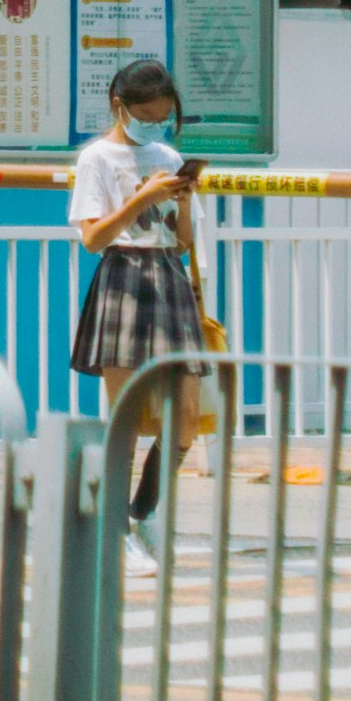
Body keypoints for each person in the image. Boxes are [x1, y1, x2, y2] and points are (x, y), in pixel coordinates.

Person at [70, 57, 211, 561]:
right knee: (126, 417)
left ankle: (138, 514)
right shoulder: (97, 159)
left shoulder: (168, 156)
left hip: (168, 278)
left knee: (187, 421)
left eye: (162, 117)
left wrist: (184, 200)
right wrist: (140, 198)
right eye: (146, 115)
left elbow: (181, 243)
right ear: (120, 106)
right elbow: (92, 237)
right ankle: (117, 530)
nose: (153, 125)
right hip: (123, 276)